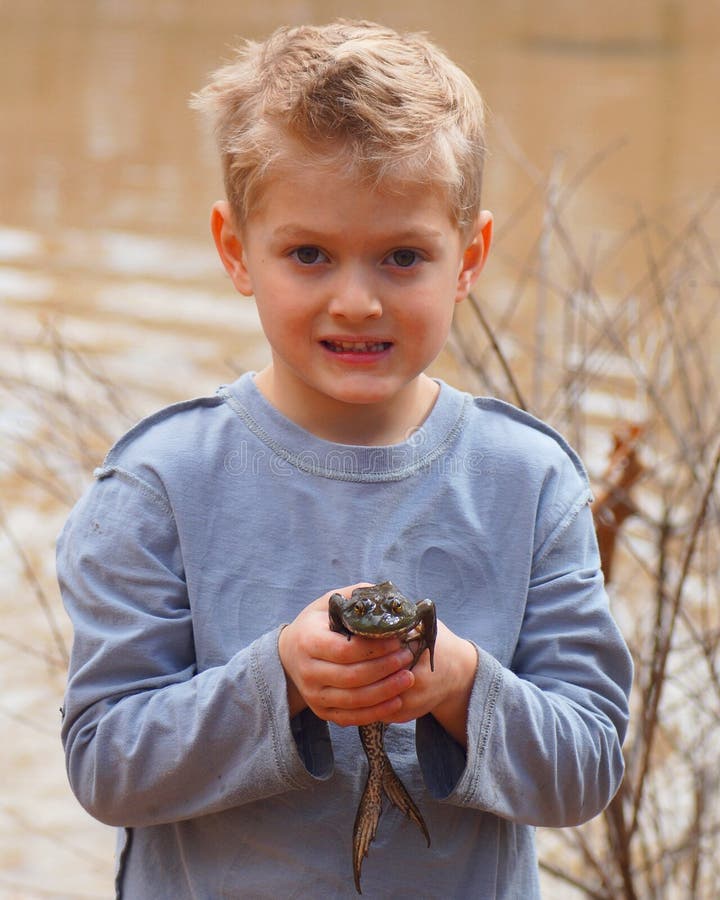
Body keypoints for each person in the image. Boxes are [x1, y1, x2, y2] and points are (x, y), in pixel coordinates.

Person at [58, 20, 633, 899]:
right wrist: (278, 678)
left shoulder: (529, 482)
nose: (356, 300)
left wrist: (458, 683)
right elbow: (104, 765)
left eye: (403, 256)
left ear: (469, 257)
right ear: (235, 250)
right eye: (309, 254)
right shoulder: (160, 485)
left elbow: (589, 767)